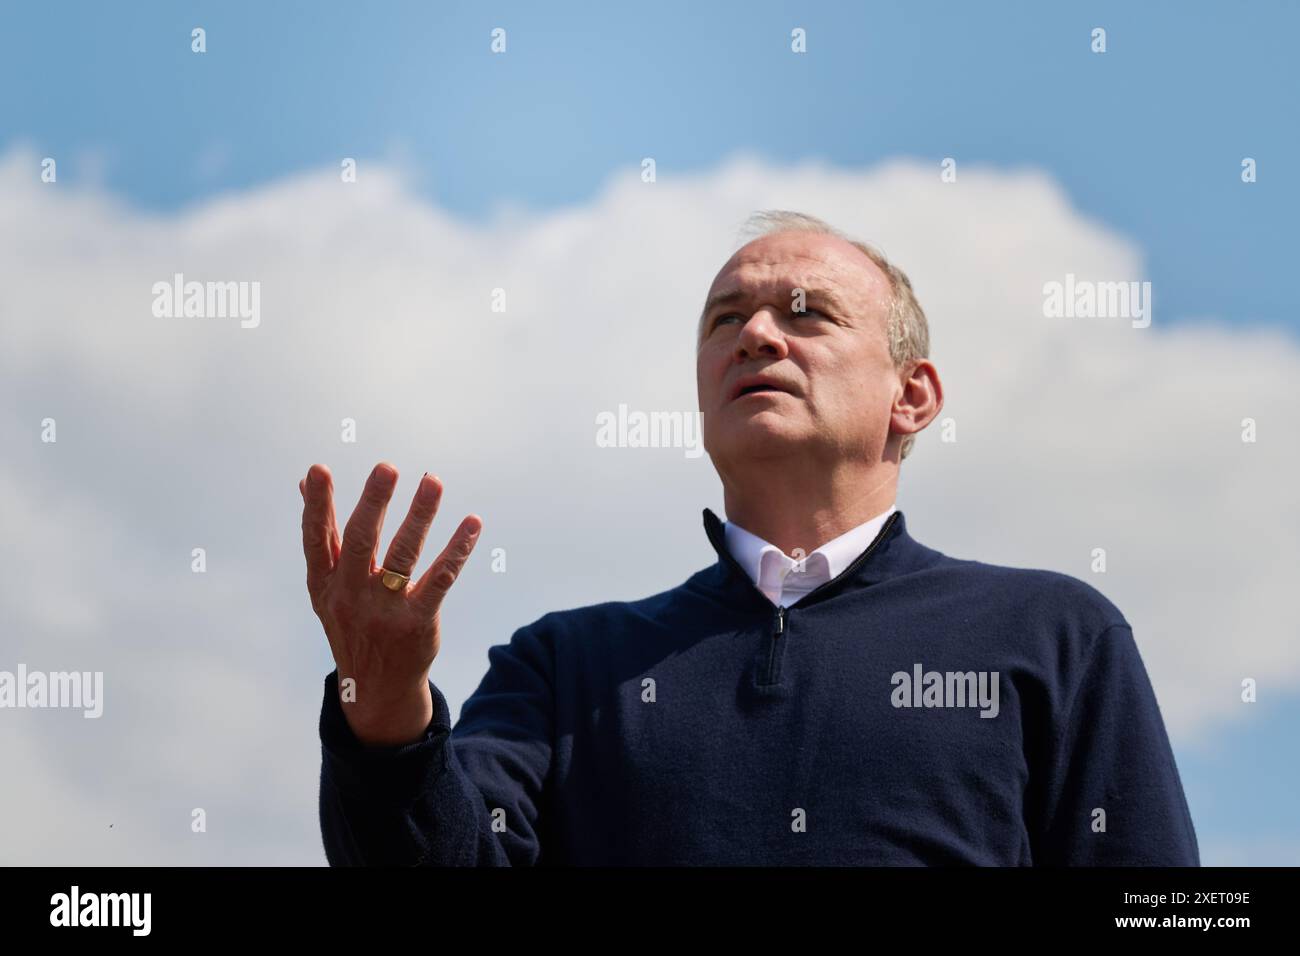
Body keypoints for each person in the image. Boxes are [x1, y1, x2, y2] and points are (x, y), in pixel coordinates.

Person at [300, 210, 1199, 866]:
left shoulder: (1054, 636)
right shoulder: (566, 666)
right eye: (725, 320)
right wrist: (382, 716)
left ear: (912, 395)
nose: (756, 334)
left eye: (805, 313)